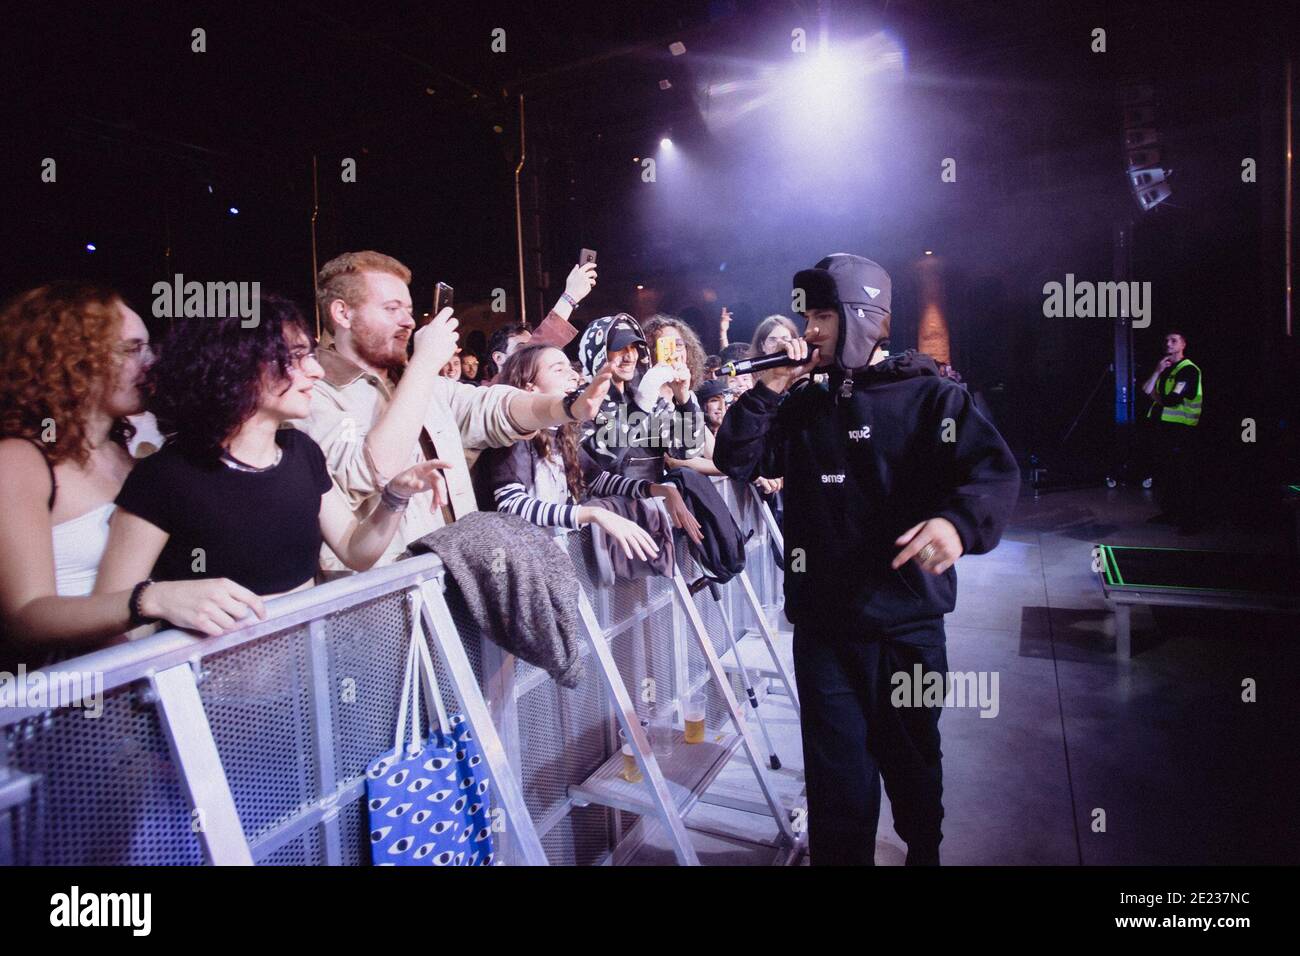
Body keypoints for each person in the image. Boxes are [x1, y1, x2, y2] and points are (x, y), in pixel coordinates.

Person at [715, 253, 1020, 866]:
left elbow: (992, 471)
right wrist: (766, 391)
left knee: (912, 760)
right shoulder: (803, 404)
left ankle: (923, 850)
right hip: (826, 630)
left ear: (862, 318)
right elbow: (738, 461)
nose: (809, 331)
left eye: (823, 315)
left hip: (907, 627)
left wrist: (958, 524)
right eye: (808, 317)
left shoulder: (933, 398)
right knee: (837, 782)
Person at [94, 296, 447, 637]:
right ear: (237, 365)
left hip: (308, 668)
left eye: (309, 354)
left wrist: (395, 497)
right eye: (294, 358)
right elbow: (114, 618)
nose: (317, 370)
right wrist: (157, 606)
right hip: (215, 686)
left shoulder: (301, 452)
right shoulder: (166, 477)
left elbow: (356, 552)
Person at [297, 251, 613, 576]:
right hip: (385, 603)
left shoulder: (419, 382)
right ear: (343, 313)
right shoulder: (312, 394)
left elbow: (493, 406)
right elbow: (370, 471)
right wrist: (422, 363)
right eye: (391, 309)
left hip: (454, 578)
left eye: (407, 310)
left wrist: (564, 407)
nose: (408, 321)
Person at [0, 283, 243, 664]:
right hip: (71, 696)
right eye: (131, 349)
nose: (150, 363)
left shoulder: (129, 453)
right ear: (68, 359)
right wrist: (153, 599)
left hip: (147, 677)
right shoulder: (19, 460)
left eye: (148, 347)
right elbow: (25, 617)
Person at [472, 344, 701, 552]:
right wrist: (593, 513)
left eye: (570, 368)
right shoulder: (513, 434)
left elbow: (597, 479)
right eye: (558, 369)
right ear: (529, 386)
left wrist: (658, 490)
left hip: (550, 553)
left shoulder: (561, 430)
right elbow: (511, 505)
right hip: (520, 557)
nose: (573, 375)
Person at [577, 313, 706, 482]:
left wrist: (684, 400)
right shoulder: (582, 401)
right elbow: (593, 463)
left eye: (633, 348)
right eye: (619, 348)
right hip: (603, 504)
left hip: (652, 500)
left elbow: (687, 450)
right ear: (599, 352)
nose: (630, 356)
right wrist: (641, 404)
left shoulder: (649, 399)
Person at [482, 260, 598, 383]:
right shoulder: (490, 395)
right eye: (523, 347)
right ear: (499, 358)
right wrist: (570, 296)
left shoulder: (539, 390)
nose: (532, 352)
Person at [1140, 330, 1203, 530]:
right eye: (1166, 340)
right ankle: (1169, 513)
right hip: (1163, 427)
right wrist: (1157, 372)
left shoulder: (1189, 370)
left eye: (1173, 340)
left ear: (1183, 344)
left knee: (1183, 475)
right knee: (1167, 473)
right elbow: (1145, 388)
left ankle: (1189, 521)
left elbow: (1171, 400)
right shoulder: (1165, 367)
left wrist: (1154, 394)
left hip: (1182, 430)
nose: (1168, 344)